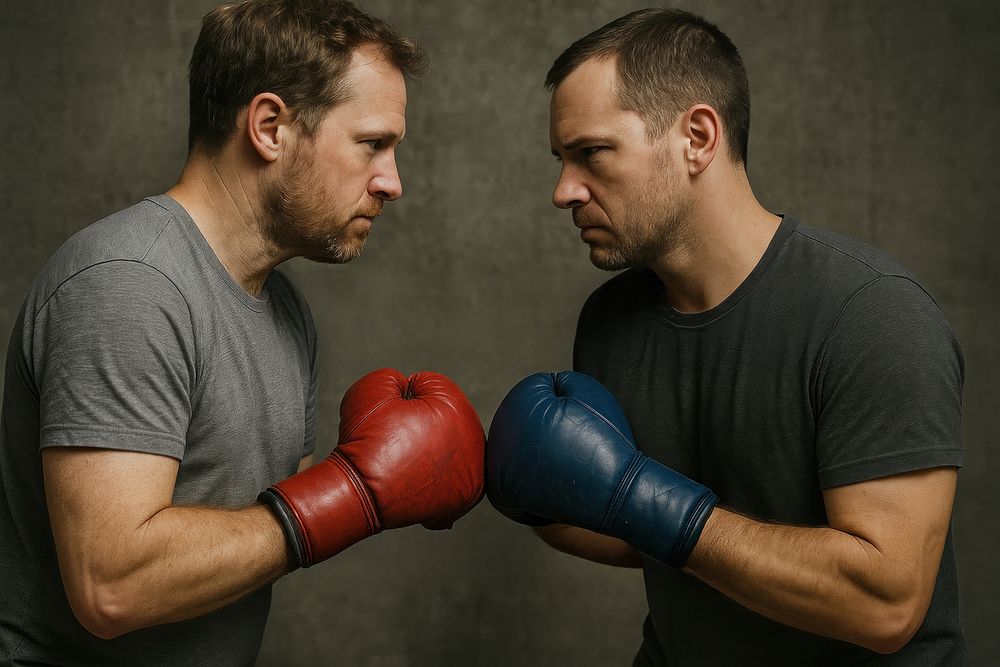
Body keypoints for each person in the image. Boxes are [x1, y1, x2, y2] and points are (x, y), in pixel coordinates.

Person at [0, 1, 485, 664]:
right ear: (269, 127)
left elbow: (249, 535)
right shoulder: (129, 285)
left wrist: (385, 482)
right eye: (372, 144)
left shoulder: (284, 311)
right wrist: (354, 493)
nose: (392, 182)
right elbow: (111, 586)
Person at [486, 8, 964, 665]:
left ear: (697, 137)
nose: (563, 190)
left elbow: (885, 604)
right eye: (561, 160)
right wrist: (524, 491)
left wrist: (643, 498)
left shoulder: (870, 313)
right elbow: (638, 533)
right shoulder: (610, 322)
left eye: (592, 153)